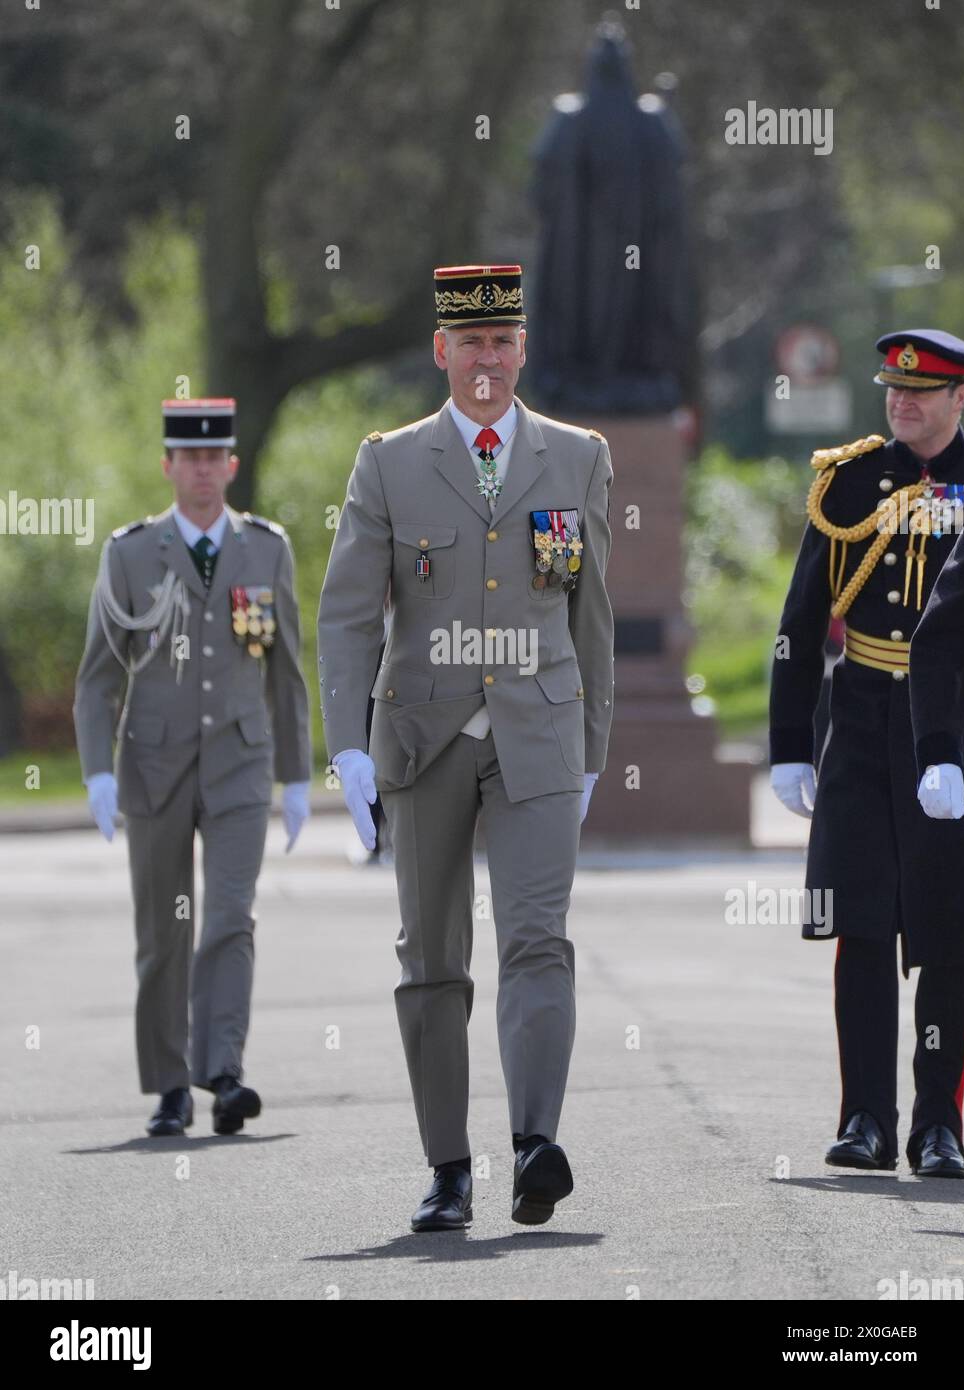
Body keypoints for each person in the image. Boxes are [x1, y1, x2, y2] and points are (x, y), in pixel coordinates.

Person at [317, 264, 615, 1229]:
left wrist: (593, 747)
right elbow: (348, 616)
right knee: (431, 957)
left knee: (538, 940)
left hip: (538, 732)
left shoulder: (577, 457)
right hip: (422, 737)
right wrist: (347, 747)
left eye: (502, 343)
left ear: (521, 349)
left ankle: (534, 1145)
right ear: (440, 351)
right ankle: (448, 1167)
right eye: (468, 344)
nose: (486, 361)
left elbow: (592, 615)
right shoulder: (390, 463)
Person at [73, 398, 312, 1138]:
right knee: (164, 930)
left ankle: (225, 1072)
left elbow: (286, 669)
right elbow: (98, 677)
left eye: (216, 459)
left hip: (241, 763)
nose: (204, 471)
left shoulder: (266, 549)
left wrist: (299, 771)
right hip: (153, 765)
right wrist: (97, 771)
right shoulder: (132, 554)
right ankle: (170, 1085)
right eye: (190, 458)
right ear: (168, 466)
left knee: (231, 915)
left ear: (231, 466)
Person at [770, 330, 964, 1178]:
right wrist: (787, 745)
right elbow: (801, 619)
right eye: (893, 389)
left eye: (922, 392)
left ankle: (937, 1124)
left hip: (951, 730)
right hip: (855, 719)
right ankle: (864, 1119)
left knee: (948, 928)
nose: (903, 402)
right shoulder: (849, 480)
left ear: (960, 398)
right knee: (859, 922)